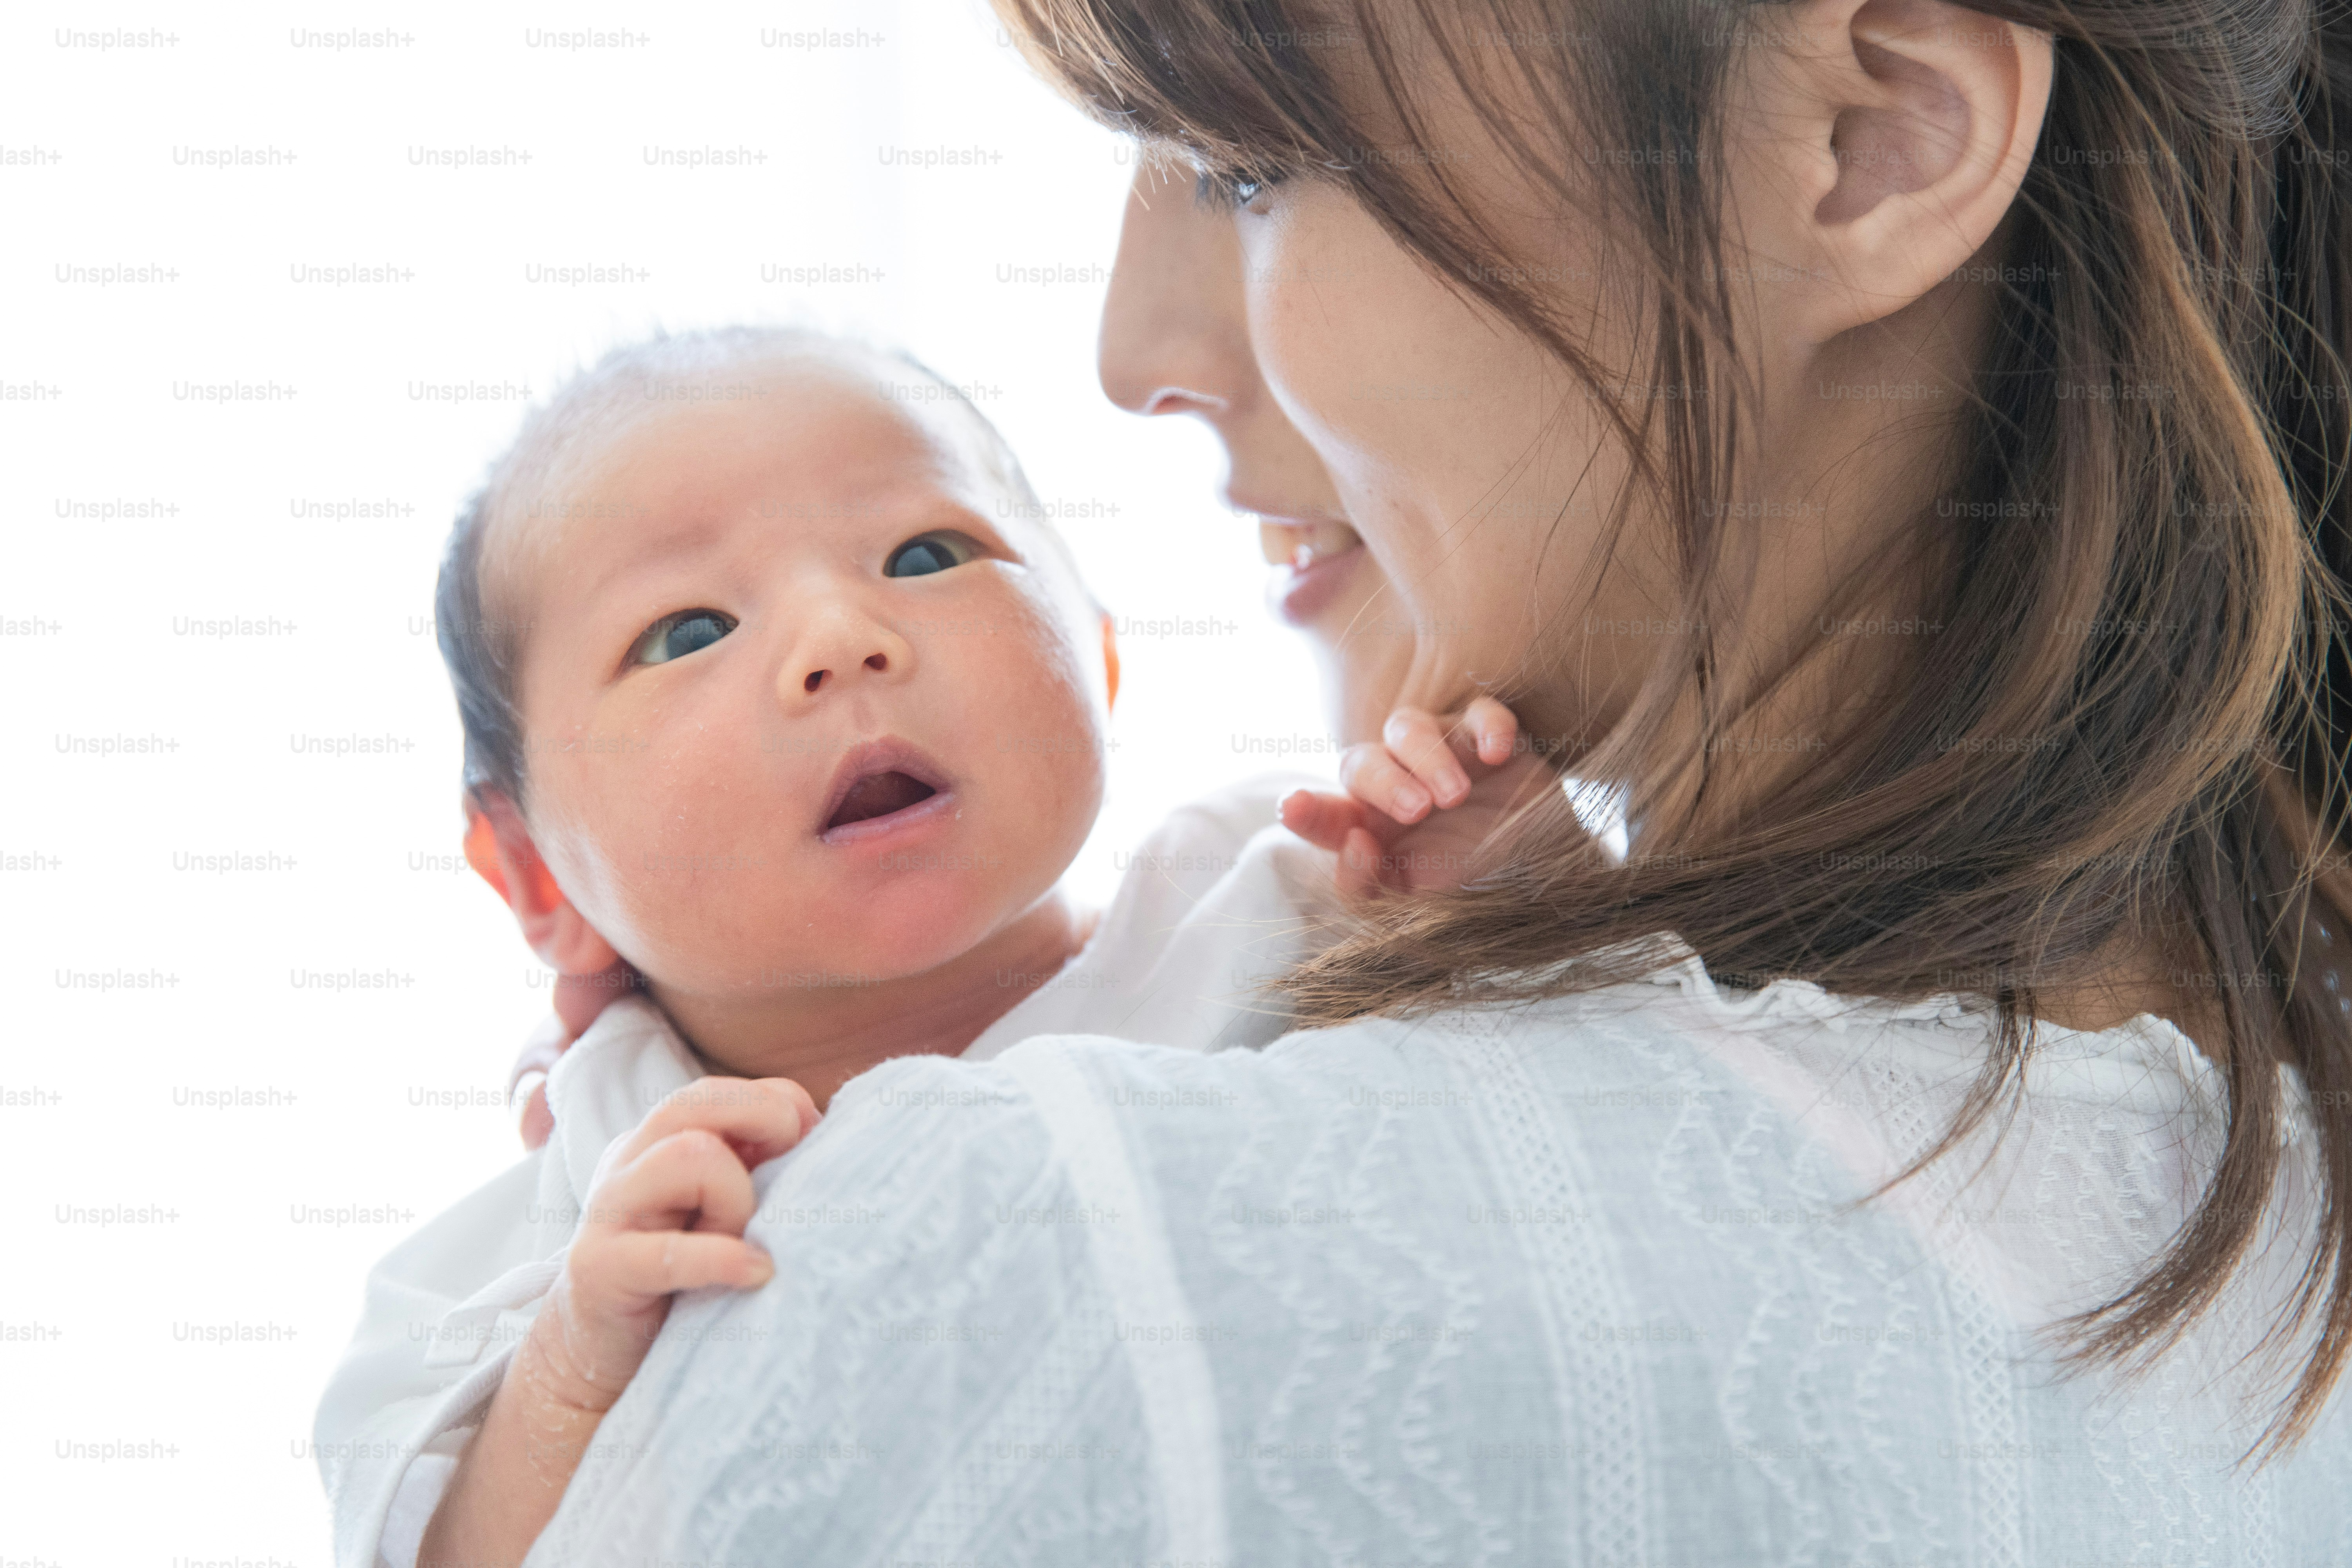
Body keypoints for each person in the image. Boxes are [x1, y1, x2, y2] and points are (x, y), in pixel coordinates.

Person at [535, 0, 2352, 1563]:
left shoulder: (1012, 1256)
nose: (1131, 355)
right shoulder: (2275, 1208)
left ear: (1873, 138)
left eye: (1249, 164)